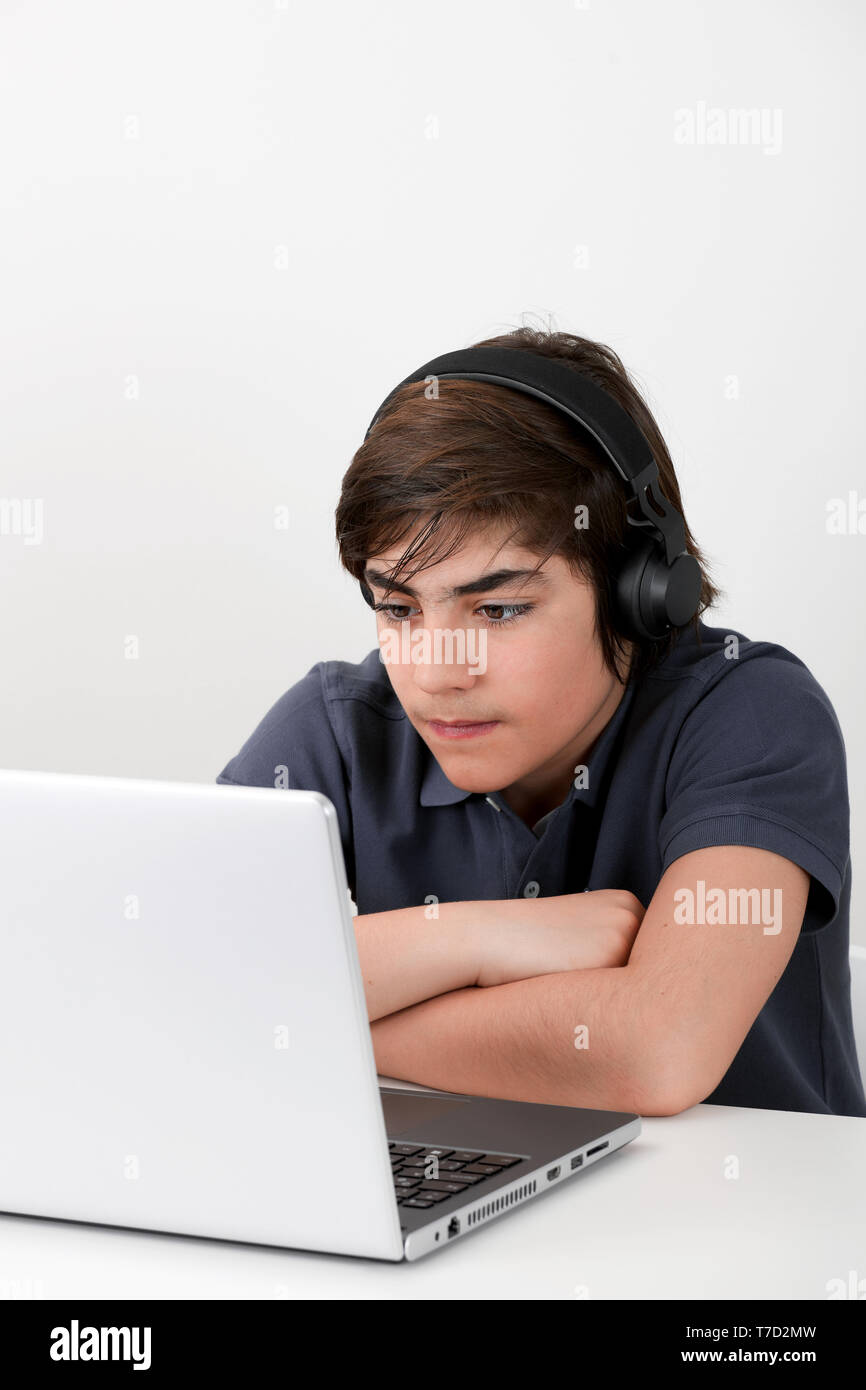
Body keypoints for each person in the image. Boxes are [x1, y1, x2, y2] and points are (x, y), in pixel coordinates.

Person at [216, 325, 865, 1118]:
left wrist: (316, 1013)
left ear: (640, 591)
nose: (435, 671)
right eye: (397, 607)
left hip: (745, 1225)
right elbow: (161, 975)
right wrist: (479, 938)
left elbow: (655, 1054)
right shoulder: (338, 730)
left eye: (498, 608)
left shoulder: (754, 715)